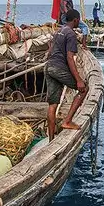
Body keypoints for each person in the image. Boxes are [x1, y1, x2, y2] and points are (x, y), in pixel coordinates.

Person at [44, 8, 87, 139]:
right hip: (58, 68)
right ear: (76, 20)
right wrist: (79, 80)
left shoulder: (59, 31)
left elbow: (50, 50)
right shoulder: (71, 34)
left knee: (53, 104)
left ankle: (51, 139)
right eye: (78, 21)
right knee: (84, 89)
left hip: (49, 67)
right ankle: (67, 121)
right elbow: (69, 58)